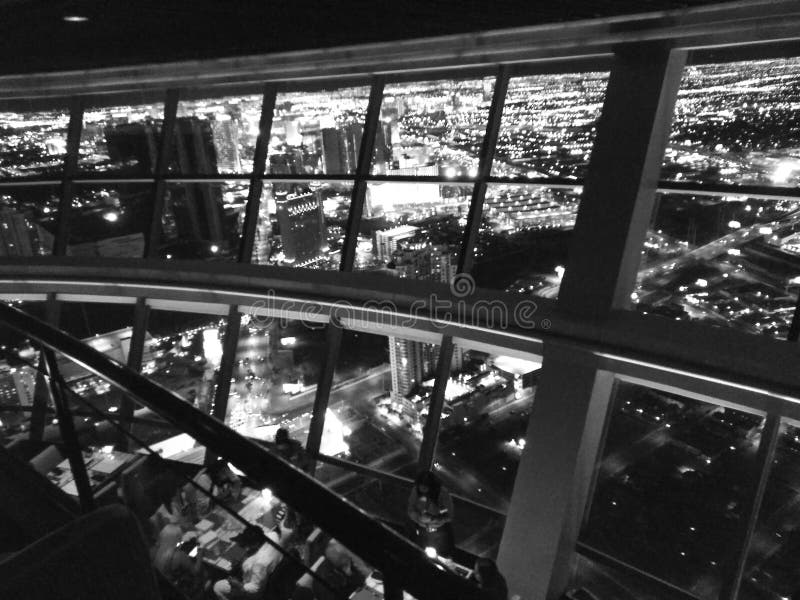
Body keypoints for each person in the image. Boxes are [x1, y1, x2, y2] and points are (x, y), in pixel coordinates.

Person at [212, 520, 293, 599]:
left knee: (218, 587)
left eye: (247, 544)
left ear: (256, 544)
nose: (246, 548)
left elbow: (255, 589)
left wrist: (239, 585)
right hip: (262, 572)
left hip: (254, 589)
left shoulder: (259, 564)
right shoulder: (273, 535)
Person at [407, 470, 455, 556]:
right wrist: (418, 517)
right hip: (421, 528)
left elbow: (449, 515)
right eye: (420, 487)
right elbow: (411, 509)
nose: (422, 490)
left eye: (425, 488)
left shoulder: (442, 493)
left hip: (439, 531)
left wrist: (435, 518)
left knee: (442, 554)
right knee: (419, 553)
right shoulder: (416, 490)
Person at [152, 524, 206, 598]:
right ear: (176, 539)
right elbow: (195, 572)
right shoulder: (179, 556)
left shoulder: (154, 551)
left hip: (165, 590)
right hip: (181, 590)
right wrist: (200, 553)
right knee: (206, 572)